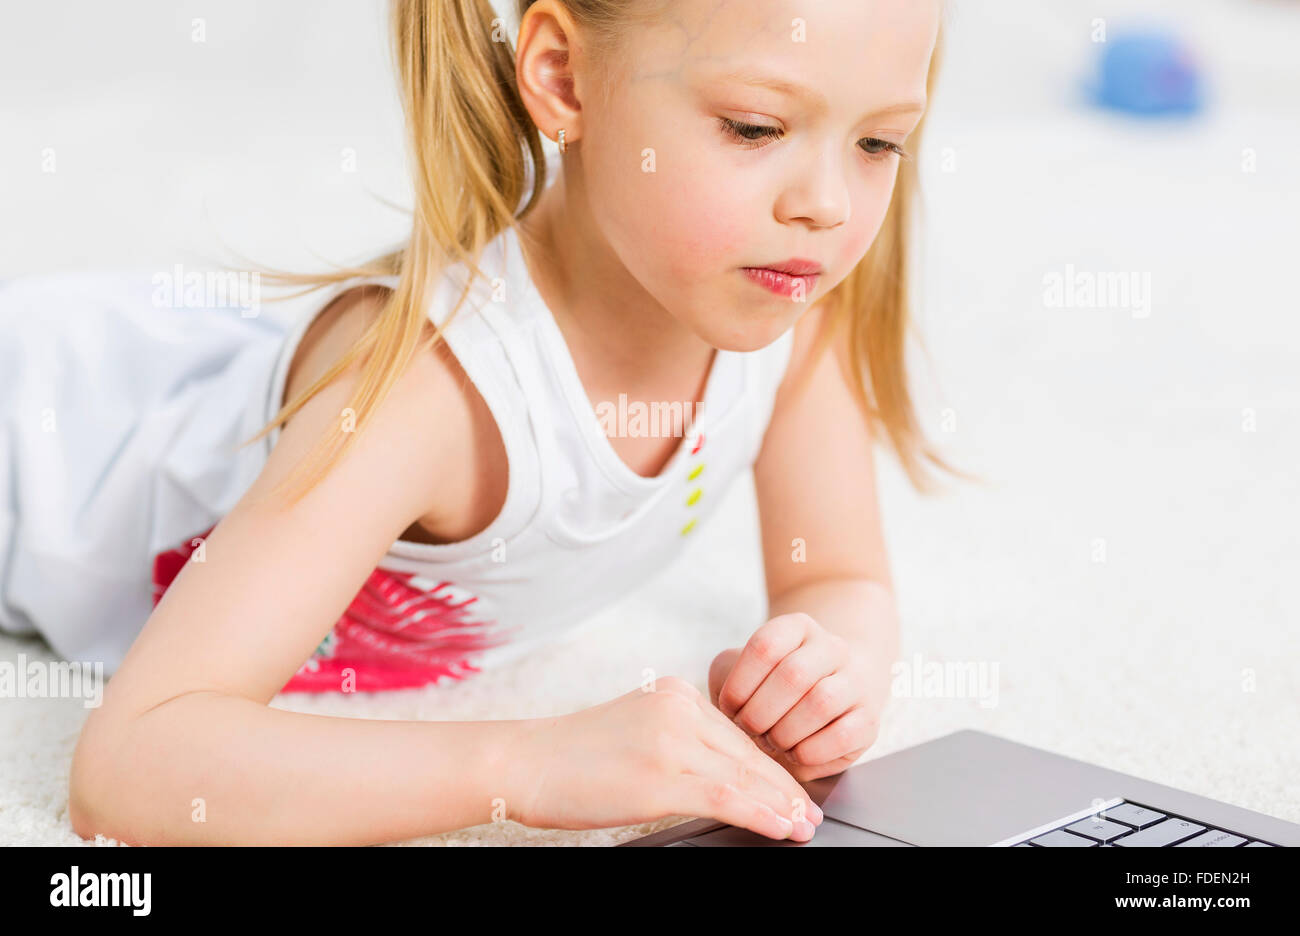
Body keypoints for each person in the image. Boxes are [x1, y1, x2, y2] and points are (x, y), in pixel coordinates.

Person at [2, 0, 962, 845]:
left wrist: (834, 674)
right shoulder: (426, 393)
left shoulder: (791, 323)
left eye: (879, 143)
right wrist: (528, 766)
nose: (828, 206)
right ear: (562, 77)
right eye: (756, 127)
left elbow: (837, 577)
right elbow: (129, 768)